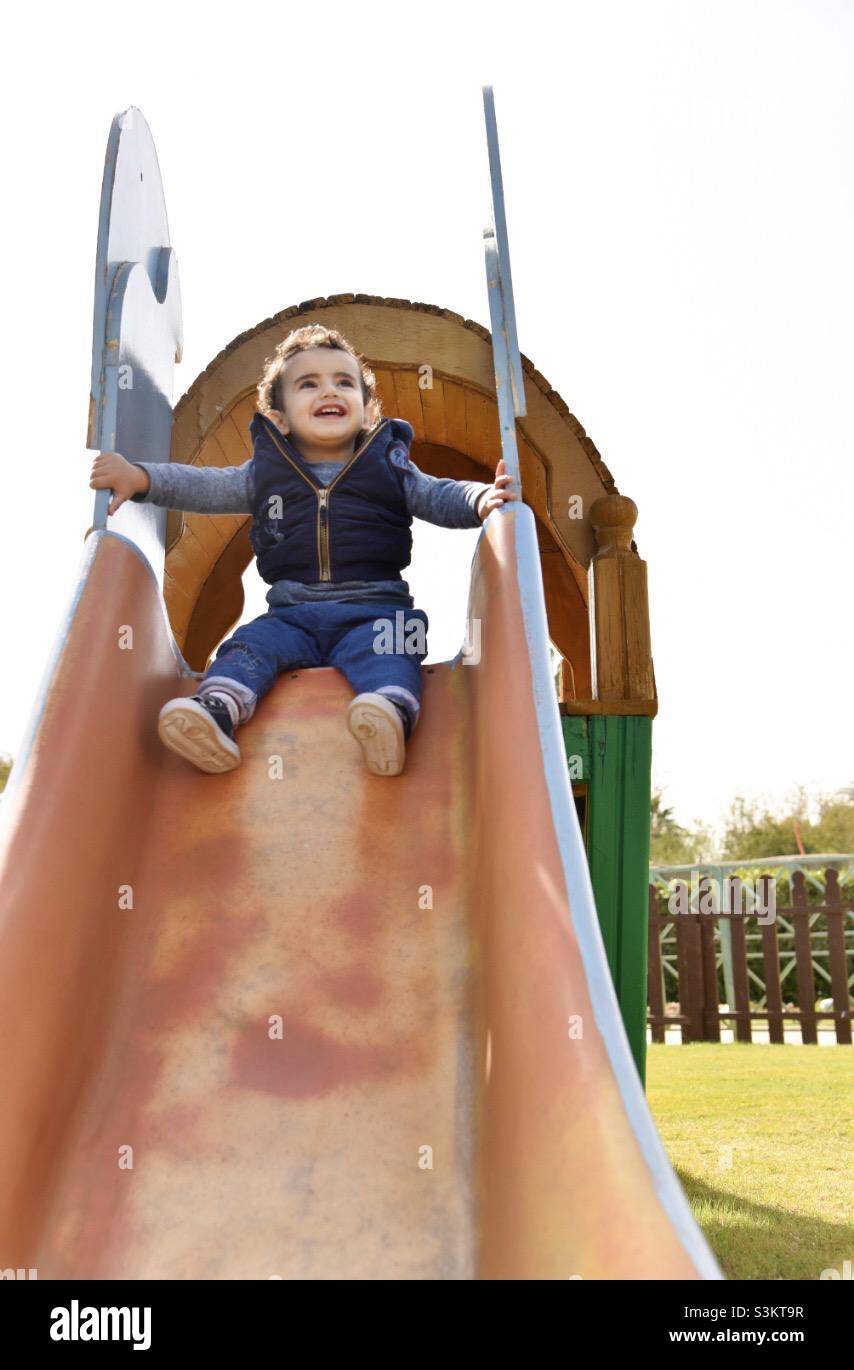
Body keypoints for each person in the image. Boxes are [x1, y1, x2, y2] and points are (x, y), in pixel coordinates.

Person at [90, 324, 517, 777]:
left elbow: (438, 495)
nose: (328, 391)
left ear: (368, 411)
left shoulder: (388, 465)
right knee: (249, 647)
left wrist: (480, 499)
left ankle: (388, 715)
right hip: (292, 612)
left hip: (375, 607)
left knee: (393, 649)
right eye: (308, 384)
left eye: (343, 382)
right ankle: (217, 711)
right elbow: (207, 486)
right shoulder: (266, 476)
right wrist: (142, 479)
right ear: (279, 417)